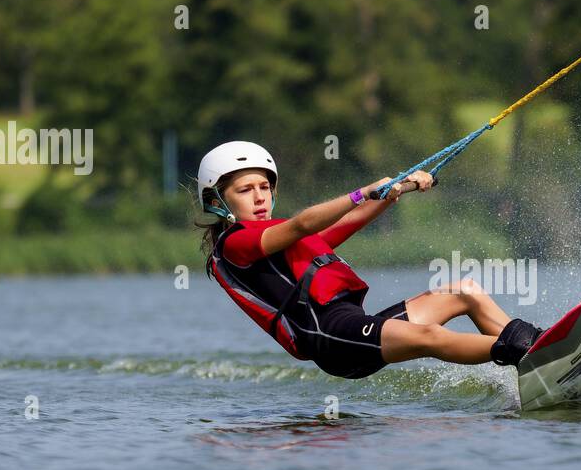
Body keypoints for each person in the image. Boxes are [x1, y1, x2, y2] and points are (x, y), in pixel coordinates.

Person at [196, 141, 545, 380]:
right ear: (217, 202)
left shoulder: (288, 242)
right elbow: (303, 222)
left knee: (465, 292)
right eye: (245, 190)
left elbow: (348, 220)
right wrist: (361, 192)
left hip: (353, 324)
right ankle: (530, 350)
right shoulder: (235, 245)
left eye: (264, 187)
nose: (259, 196)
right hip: (331, 338)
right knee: (428, 336)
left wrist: (397, 190)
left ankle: (535, 365)